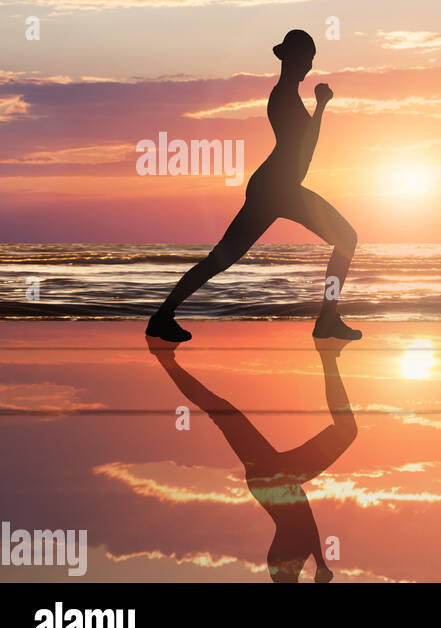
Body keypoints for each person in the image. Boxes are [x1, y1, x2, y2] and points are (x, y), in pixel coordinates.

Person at [146, 29, 360, 342]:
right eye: (306, 59)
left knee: (223, 258)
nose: (309, 67)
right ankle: (327, 319)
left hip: (279, 189)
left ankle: (163, 315)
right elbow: (305, 148)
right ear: (291, 58)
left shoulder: (288, 95)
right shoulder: (284, 97)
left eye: (311, 61)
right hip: (276, 190)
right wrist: (322, 106)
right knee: (344, 239)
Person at [147, 335, 358, 582]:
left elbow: (305, 521)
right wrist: (320, 562)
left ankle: (163, 356)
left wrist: (321, 563)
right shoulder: (296, 553)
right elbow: (304, 520)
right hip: (277, 478)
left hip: (272, 479)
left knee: (223, 412)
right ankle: (327, 352)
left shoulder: (284, 565)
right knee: (345, 431)